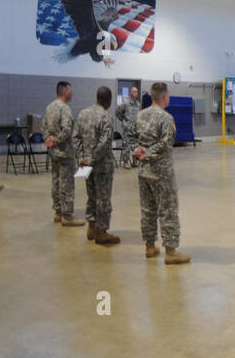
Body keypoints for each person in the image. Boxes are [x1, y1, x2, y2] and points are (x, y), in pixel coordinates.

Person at [133, 82, 190, 264]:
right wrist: (149, 153)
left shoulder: (140, 115)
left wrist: (140, 153)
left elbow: (134, 138)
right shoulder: (166, 118)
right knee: (167, 210)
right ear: (164, 96)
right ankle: (171, 251)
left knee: (148, 209)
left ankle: (150, 246)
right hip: (161, 172)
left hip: (144, 171)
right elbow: (166, 144)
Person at [75, 86, 120, 245]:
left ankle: (91, 228)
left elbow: (75, 138)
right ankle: (101, 232)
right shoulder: (106, 117)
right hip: (102, 166)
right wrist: (92, 159)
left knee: (91, 196)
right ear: (108, 101)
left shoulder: (82, 114)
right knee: (103, 199)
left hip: (85, 165)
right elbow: (104, 143)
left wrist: (82, 157)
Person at [43, 81, 85, 226]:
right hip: (65, 152)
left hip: (53, 153)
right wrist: (56, 141)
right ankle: (67, 216)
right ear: (65, 91)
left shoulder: (49, 107)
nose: (72, 93)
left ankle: (58, 212)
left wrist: (49, 141)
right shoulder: (65, 109)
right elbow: (67, 131)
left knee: (55, 182)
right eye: (70, 90)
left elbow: (44, 128)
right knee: (66, 183)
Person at [115, 87, 142, 169]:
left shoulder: (138, 104)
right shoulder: (125, 103)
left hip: (135, 129)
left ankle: (135, 160)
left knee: (136, 145)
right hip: (127, 128)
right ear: (130, 93)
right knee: (126, 145)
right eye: (134, 92)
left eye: (137, 92)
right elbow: (117, 113)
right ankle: (126, 162)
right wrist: (124, 121)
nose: (136, 93)